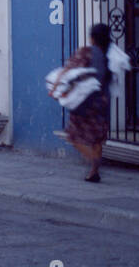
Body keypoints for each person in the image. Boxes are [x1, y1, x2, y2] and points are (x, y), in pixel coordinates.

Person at [48, 22, 128, 183]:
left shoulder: (86, 53)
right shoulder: (110, 54)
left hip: (86, 102)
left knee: (73, 136)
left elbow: (69, 71)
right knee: (97, 139)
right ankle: (93, 172)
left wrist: (55, 87)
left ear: (92, 38)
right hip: (103, 102)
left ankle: (94, 161)